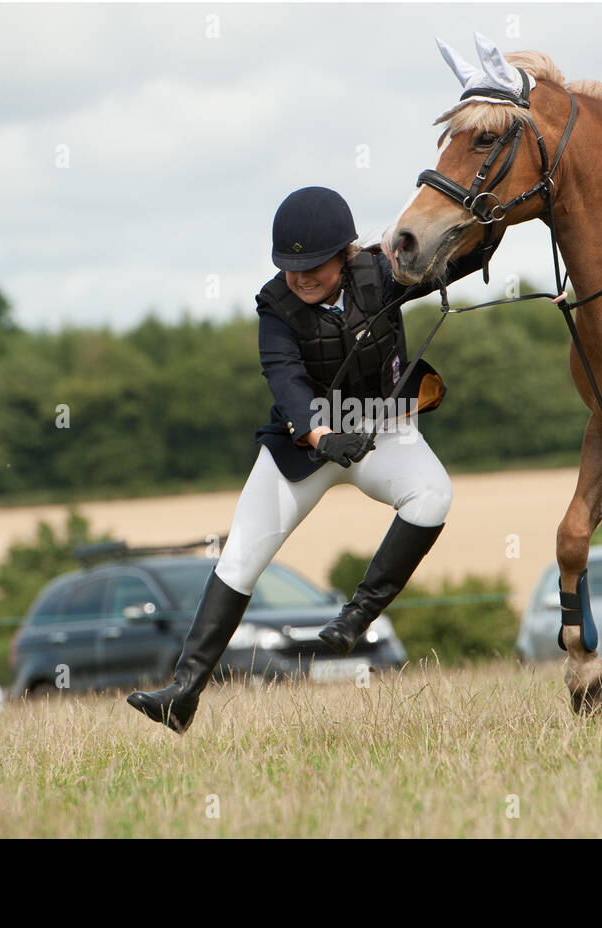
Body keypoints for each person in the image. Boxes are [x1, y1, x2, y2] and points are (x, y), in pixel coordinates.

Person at [127, 185, 495, 734]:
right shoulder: (273, 309)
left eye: (313, 266)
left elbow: (466, 257)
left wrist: (496, 223)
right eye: (290, 267)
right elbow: (287, 382)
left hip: (384, 433)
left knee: (433, 495)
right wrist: (323, 437)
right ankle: (182, 692)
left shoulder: (382, 272)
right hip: (305, 445)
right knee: (241, 557)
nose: (300, 278)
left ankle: (356, 617)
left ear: (344, 255)